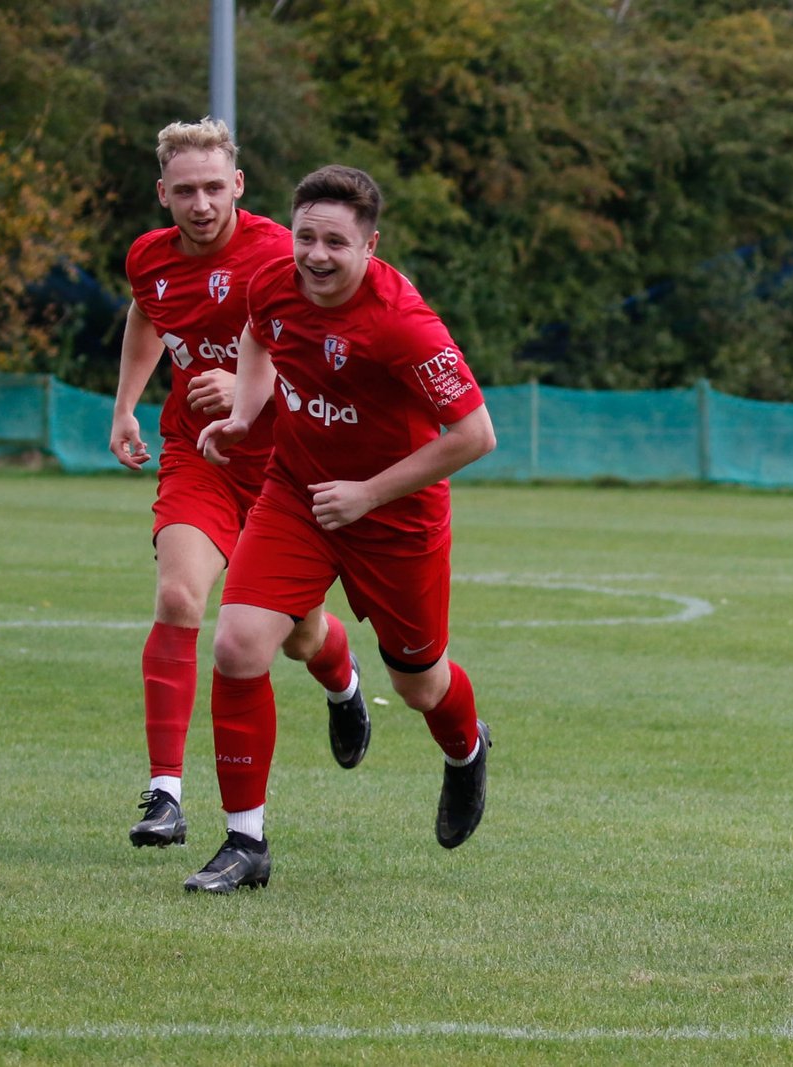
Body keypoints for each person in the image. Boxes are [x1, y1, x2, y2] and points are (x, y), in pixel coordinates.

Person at [188, 164, 497, 893]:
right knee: (236, 645)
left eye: (335, 241)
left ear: (370, 245)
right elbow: (257, 337)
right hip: (297, 495)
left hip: (397, 519)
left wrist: (368, 493)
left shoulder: (401, 323)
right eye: (305, 237)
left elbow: (475, 433)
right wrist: (245, 413)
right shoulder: (273, 282)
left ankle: (465, 753)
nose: (316, 254)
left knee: (419, 684)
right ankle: (245, 842)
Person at [110, 119, 371, 850]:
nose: (200, 204)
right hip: (199, 456)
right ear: (163, 192)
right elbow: (148, 313)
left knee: (297, 637)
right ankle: (165, 794)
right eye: (185, 190)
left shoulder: (281, 254)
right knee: (177, 596)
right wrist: (126, 404)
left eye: (213, 188)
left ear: (239, 187)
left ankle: (342, 681)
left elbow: (337, 342)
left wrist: (250, 382)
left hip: (287, 467)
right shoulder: (148, 259)